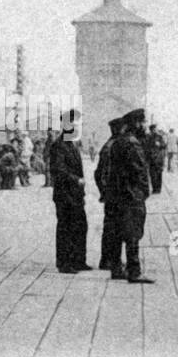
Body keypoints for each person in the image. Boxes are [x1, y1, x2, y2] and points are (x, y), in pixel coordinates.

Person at [109, 109, 154, 284]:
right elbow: (139, 171)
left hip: (119, 194)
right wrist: (144, 191)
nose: (144, 126)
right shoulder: (133, 143)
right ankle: (134, 271)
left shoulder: (119, 141)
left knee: (119, 231)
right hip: (131, 194)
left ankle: (116, 268)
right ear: (136, 123)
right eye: (142, 123)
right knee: (133, 231)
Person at [49, 109, 90, 274]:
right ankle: (65, 263)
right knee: (66, 228)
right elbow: (59, 171)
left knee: (80, 226)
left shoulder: (72, 145)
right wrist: (76, 180)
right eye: (73, 124)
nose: (75, 127)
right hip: (64, 194)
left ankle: (78, 260)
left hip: (76, 195)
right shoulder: (59, 146)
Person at [94, 117, 125, 273]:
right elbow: (101, 173)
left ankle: (106, 260)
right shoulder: (115, 146)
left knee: (109, 228)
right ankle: (111, 261)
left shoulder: (107, 145)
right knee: (115, 228)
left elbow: (97, 173)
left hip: (109, 193)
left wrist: (102, 192)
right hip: (114, 193)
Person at [144, 124, 166, 194]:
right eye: (154, 129)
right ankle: (155, 189)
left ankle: (158, 189)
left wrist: (160, 144)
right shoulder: (148, 137)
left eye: (155, 129)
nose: (155, 130)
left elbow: (164, 145)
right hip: (151, 158)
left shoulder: (159, 137)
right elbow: (146, 147)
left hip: (159, 158)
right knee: (153, 174)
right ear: (151, 130)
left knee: (159, 174)